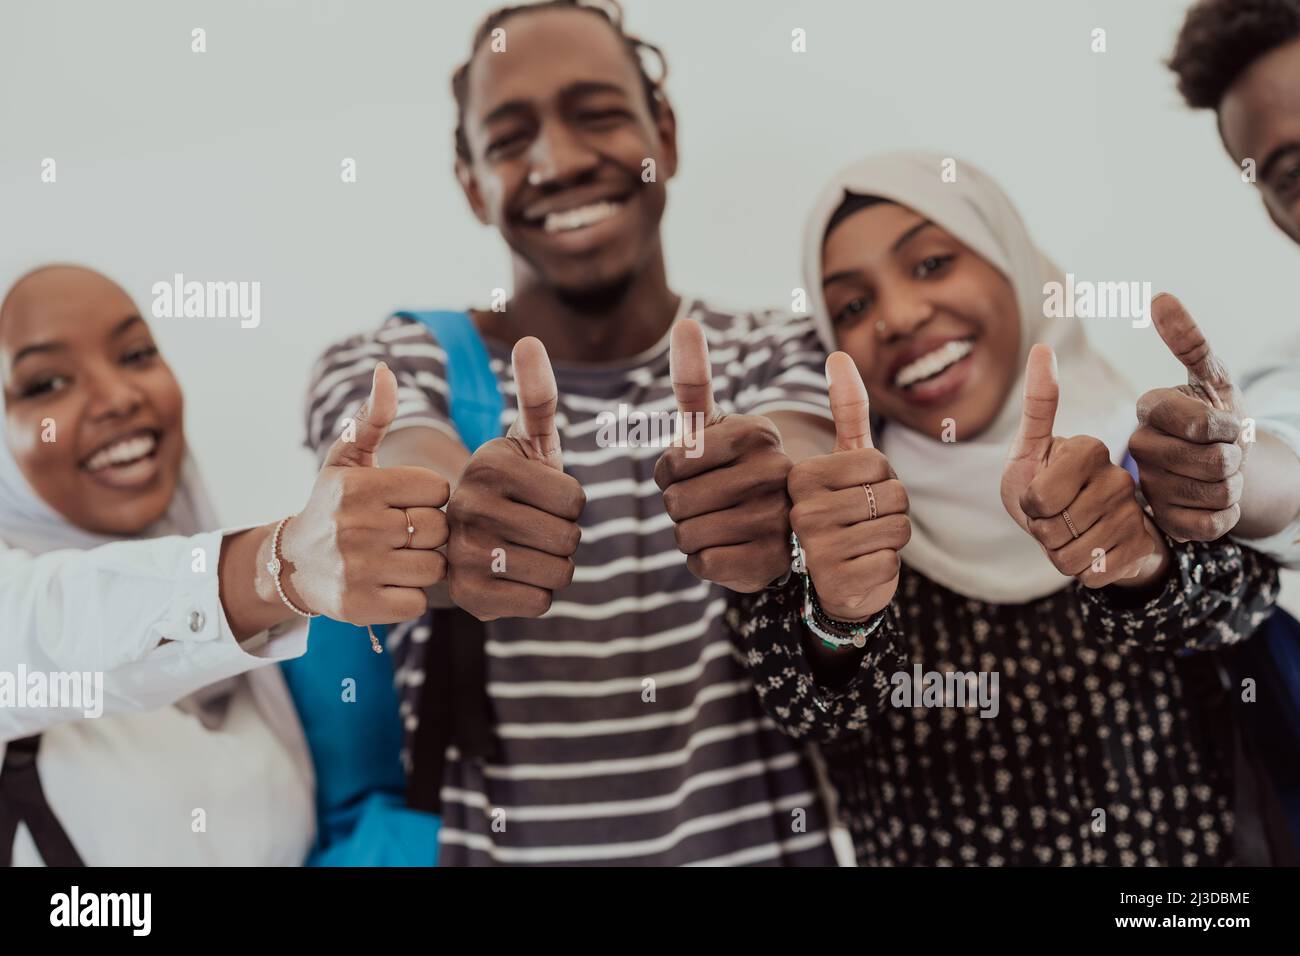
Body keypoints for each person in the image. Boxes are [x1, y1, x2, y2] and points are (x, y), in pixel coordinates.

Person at [305, 0, 842, 865]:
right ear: (472, 181)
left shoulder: (781, 347)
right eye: (511, 138)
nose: (558, 161)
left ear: (663, 133)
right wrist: (448, 523)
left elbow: (801, 442)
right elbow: (403, 465)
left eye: (598, 115)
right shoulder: (392, 360)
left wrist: (785, 499)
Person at [728, 152, 1280, 866]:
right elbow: (804, 705)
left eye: (930, 264)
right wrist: (839, 615)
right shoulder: (834, 521)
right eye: (853, 307)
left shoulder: (1152, 451)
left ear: (1014, 266)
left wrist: (1145, 560)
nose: (898, 316)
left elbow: (1241, 606)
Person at [0, 264, 448, 864]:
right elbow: (50, 627)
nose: (116, 398)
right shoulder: (29, 634)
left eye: (135, 354)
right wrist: (275, 567)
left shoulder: (264, 651)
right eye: (45, 383)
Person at [1138, 0, 1300, 566]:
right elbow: (1284, 464)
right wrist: (1229, 462)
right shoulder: (1287, 373)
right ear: (1279, 216)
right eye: (1293, 174)